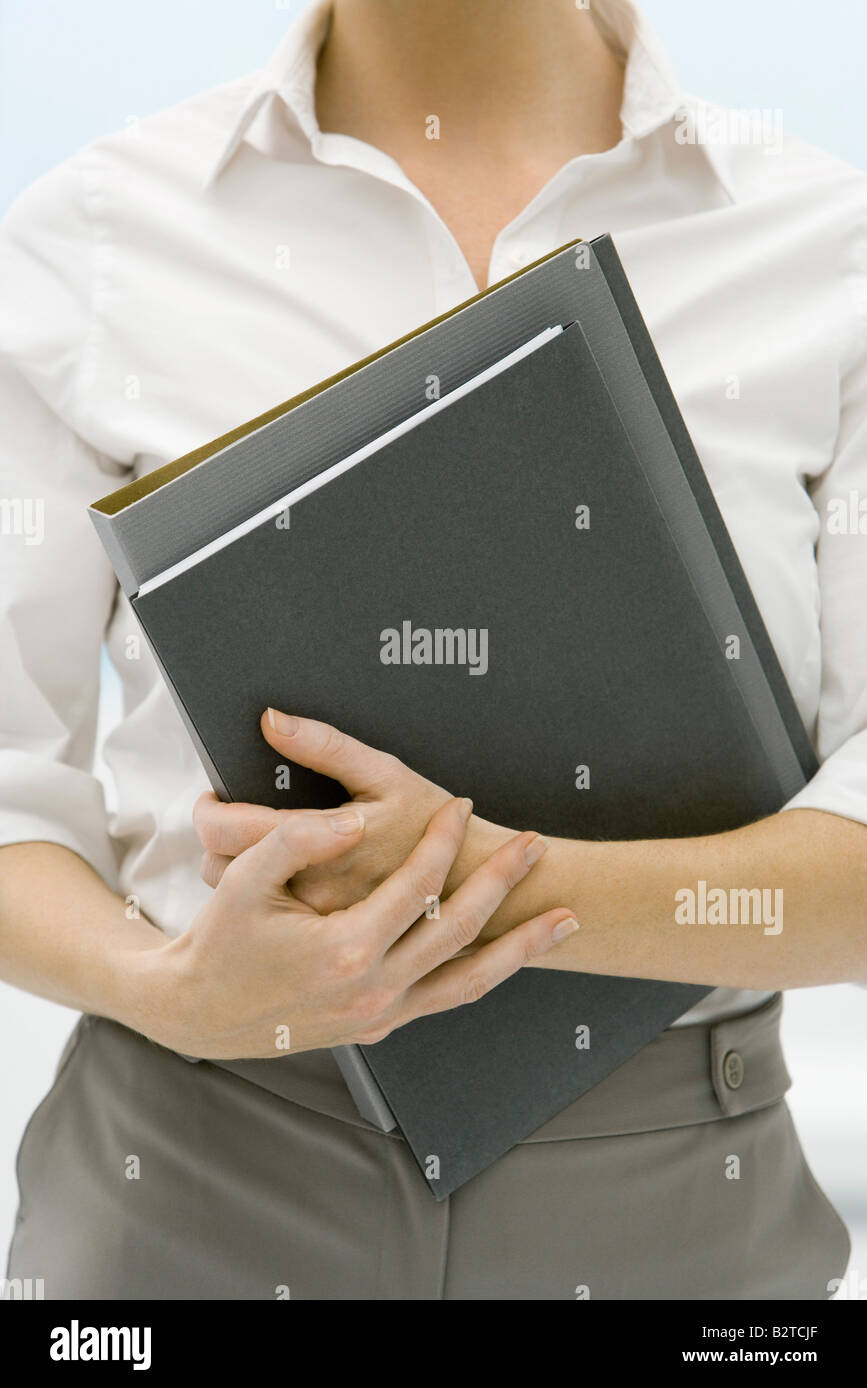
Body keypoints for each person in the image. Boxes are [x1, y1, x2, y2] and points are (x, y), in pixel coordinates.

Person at [1, 0, 863, 1299]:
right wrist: (170, 985)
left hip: (672, 1193)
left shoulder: (824, 250)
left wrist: (473, 889)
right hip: (192, 1166)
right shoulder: (101, 236)